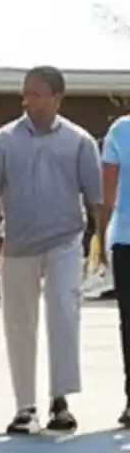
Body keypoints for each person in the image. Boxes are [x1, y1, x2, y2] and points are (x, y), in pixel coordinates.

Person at [0, 66, 103, 435]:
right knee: (19, 324)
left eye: (34, 94)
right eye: (25, 94)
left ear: (56, 97)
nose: (26, 100)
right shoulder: (3, 140)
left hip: (65, 242)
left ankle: (60, 401)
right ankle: (25, 407)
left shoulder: (79, 142)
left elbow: (95, 199)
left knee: (63, 315)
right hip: (16, 244)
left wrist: (100, 244)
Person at [100, 114, 130, 428]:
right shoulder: (120, 131)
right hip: (126, 239)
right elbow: (106, 197)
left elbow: (106, 197)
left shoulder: (121, 130)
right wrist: (99, 234)